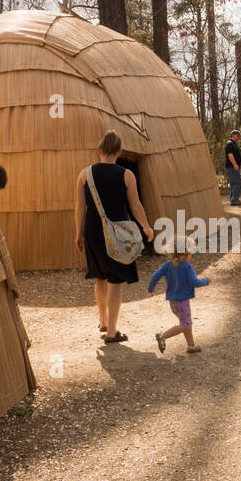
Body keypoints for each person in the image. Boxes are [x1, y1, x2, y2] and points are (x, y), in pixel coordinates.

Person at [76, 130, 154, 343]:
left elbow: (80, 207)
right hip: (119, 234)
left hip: (93, 230)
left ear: (99, 150)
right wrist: (146, 227)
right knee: (115, 280)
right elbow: (135, 205)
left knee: (100, 276)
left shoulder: (84, 174)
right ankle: (111, 331)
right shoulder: (127, 175)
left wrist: (78, 233)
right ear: (119, 152)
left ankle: (102, 321)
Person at [147, 248, 210, 354]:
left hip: (172, 302)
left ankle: (191, 345)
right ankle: (163, 336)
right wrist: (206, 281)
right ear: (185, 255)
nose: (191, 256)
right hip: (183, 302)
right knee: (185, 324)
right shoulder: (187, 267)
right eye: (190, 254)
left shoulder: (168, 265)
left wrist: (150, 288)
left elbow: (155, 276)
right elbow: (194, 282)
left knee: (186, 322)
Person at [224, 129, 241, 206]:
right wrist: (235, 165)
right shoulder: (229, 144)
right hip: (231, 167)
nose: (239, 137)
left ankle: (233, 199)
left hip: (234, 166)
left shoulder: (234, 144)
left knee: (233, 183)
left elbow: (237, 155)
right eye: (238, 136)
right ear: (234, 135)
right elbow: (230, 155)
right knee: (237, 183)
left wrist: (240, 165)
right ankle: (234, 199)